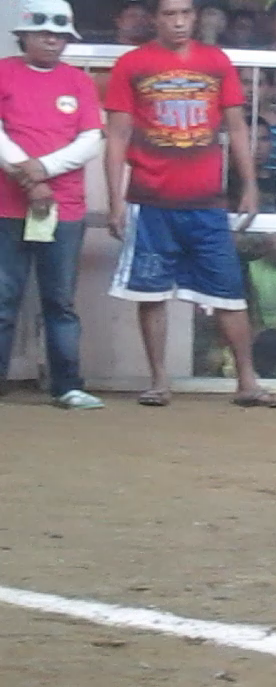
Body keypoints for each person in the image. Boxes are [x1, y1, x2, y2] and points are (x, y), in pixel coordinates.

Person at [103, 0, 276, 408]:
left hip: (207, 200)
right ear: (156, 18)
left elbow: (237, 128)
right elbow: (116, 137)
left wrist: (249, 185)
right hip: (149, 199)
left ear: (196, 16)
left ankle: (247, 382)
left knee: (228, 293)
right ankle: (159, 381)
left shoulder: (216, 60)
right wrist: (116, 200)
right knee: (150, 292)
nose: (179, 21)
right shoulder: (132, 64)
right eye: (170, 14)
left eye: (185, 13)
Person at [0, 0, 106, 409]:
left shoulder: (79, 81)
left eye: (59, 34)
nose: (51, 40)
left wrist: (38, 170)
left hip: (63, 207)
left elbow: (90, 141)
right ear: (23, 35)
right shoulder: (4, 71)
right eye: (43, 32)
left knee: (59, 301)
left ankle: (67, 385)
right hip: (7, 206)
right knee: (3, 300)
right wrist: (26, 175)